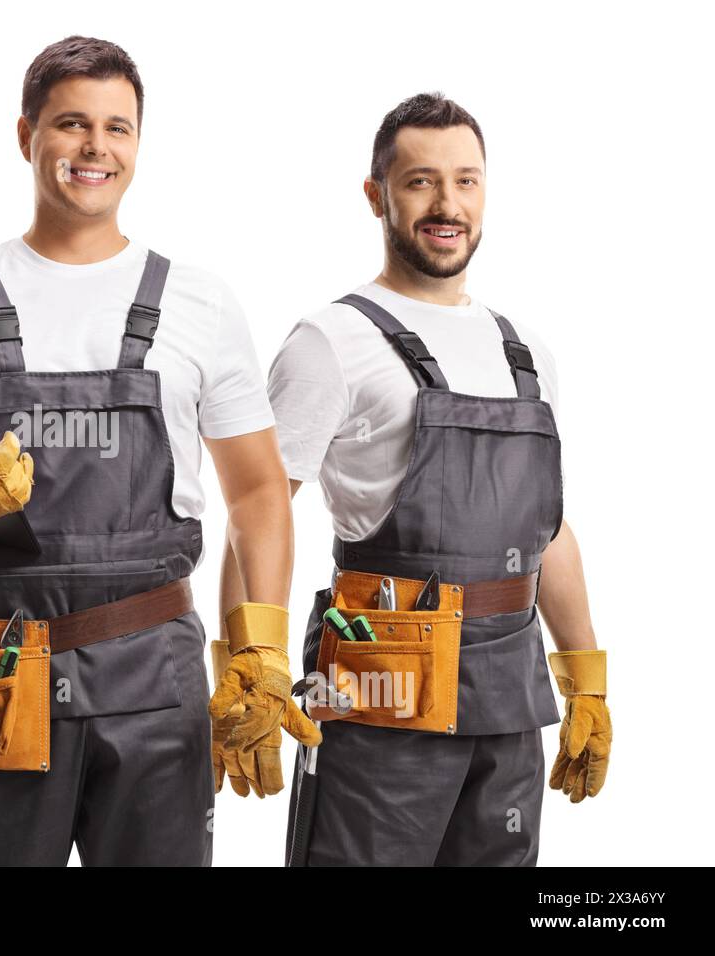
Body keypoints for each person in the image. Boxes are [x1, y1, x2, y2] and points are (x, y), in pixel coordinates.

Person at [0, 36, 316, 866]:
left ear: (137, 144)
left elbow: (261, 491)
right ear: (27, 137)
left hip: (154, 680)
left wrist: (258, 649)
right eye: (72, 125)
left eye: (118, 128)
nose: (97, 148)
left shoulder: (198, 303)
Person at [226, 92, 611, 866]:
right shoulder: (331, 340)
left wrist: (585, 677)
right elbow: (258, 508)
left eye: (466, 181)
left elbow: (547, 529)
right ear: (377, 195)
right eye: (421, 181)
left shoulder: (523, 354)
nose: (447, 205)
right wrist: (250, 660)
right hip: (380, 692)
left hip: (507, 694)